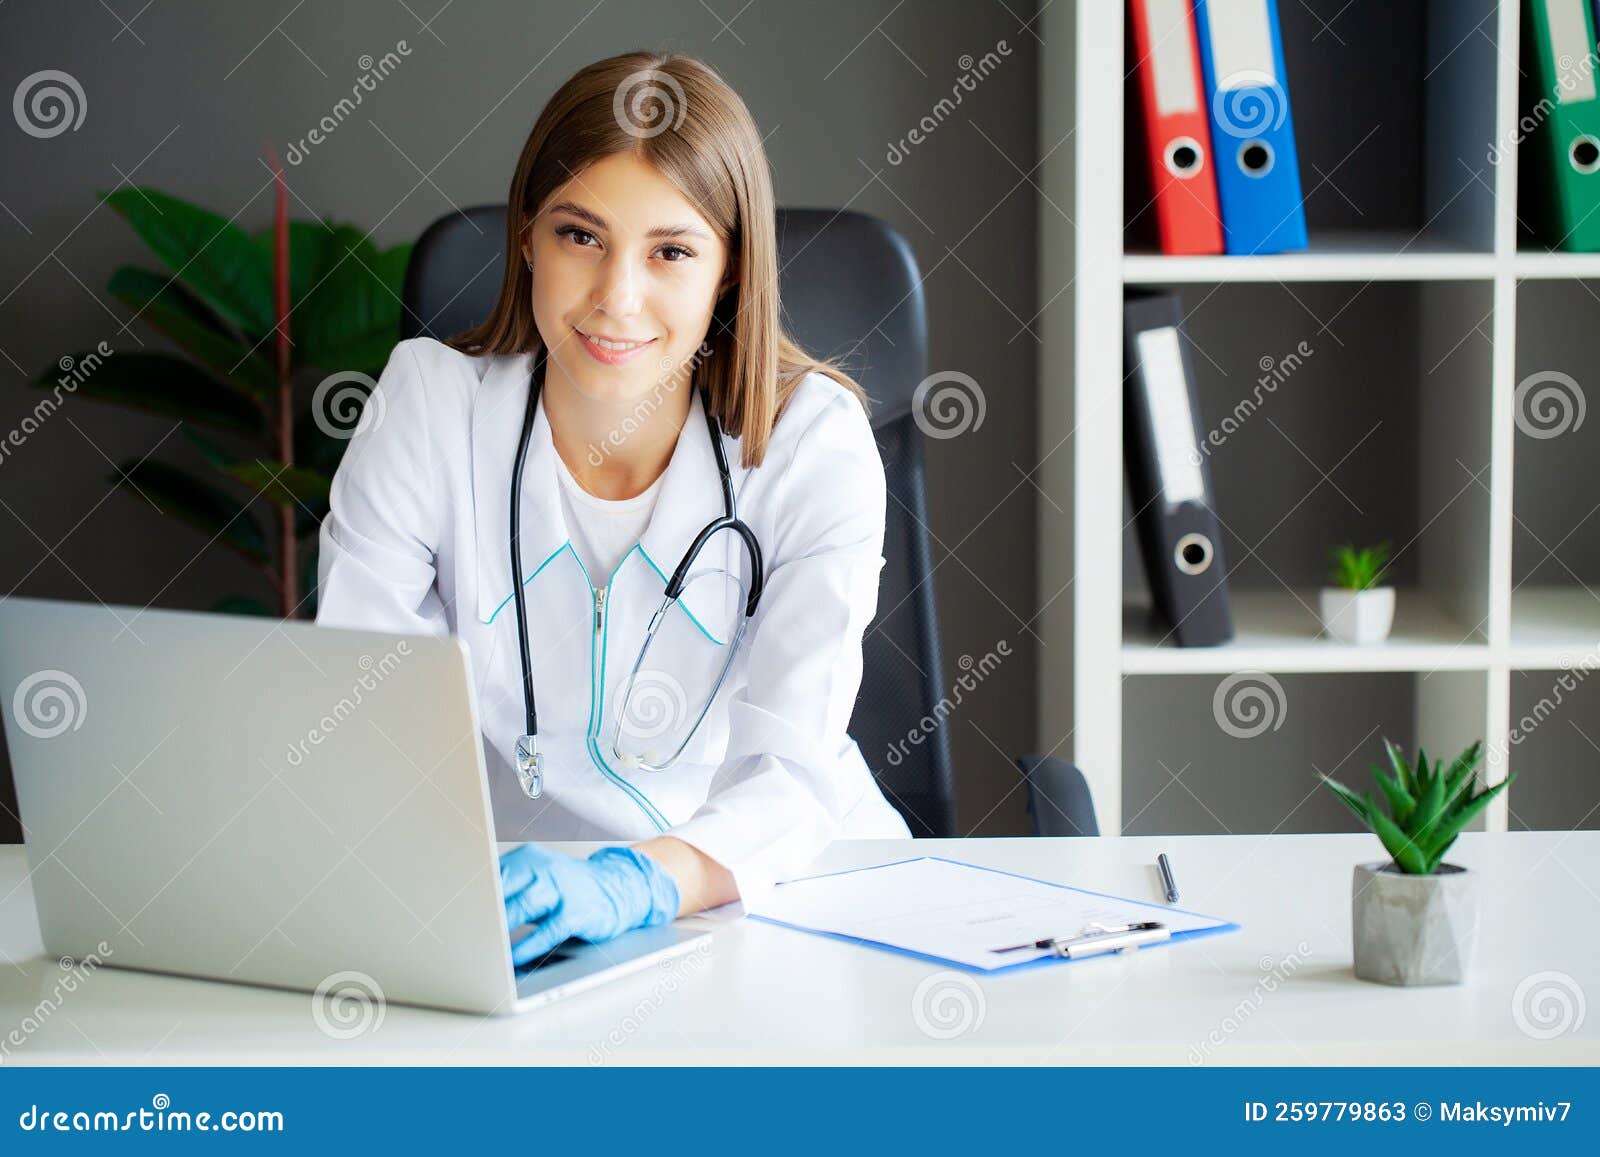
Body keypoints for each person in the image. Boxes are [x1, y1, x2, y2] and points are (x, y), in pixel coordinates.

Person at [315, 50, 910, 966]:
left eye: (671, 251)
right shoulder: (428, 406)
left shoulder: (809, 443)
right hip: (518, 912)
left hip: (779, 901)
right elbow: (361, 713)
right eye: (579, 236)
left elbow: (791, 775)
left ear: (730, 270)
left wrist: (637, 883)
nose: (615, 298)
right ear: (525, 238)